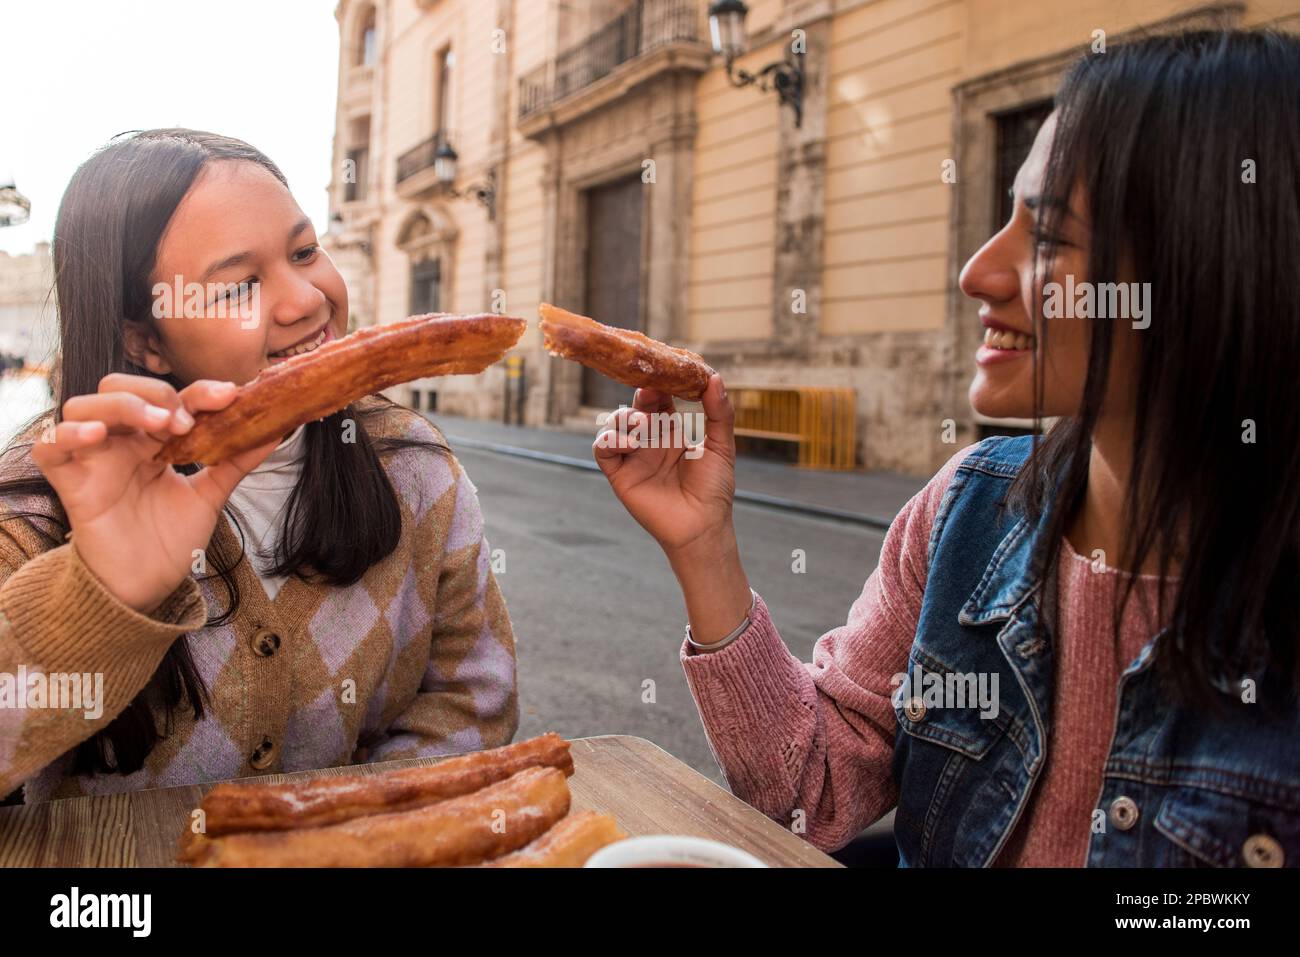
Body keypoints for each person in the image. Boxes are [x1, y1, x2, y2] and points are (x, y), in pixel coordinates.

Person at [593, 30, 1300, 866]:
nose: (976, 271)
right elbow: (808, 793)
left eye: (1050, 236)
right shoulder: (970, 510)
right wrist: (704, 545)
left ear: (1208, 265)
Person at [0, 130, 518, 805]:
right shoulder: (35, 500)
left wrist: (341, 832)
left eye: (305, 251)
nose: (306, 298)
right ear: (146, 339)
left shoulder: (413, 466)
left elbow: (473, 703)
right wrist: (99, 591)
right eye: (239, 286)